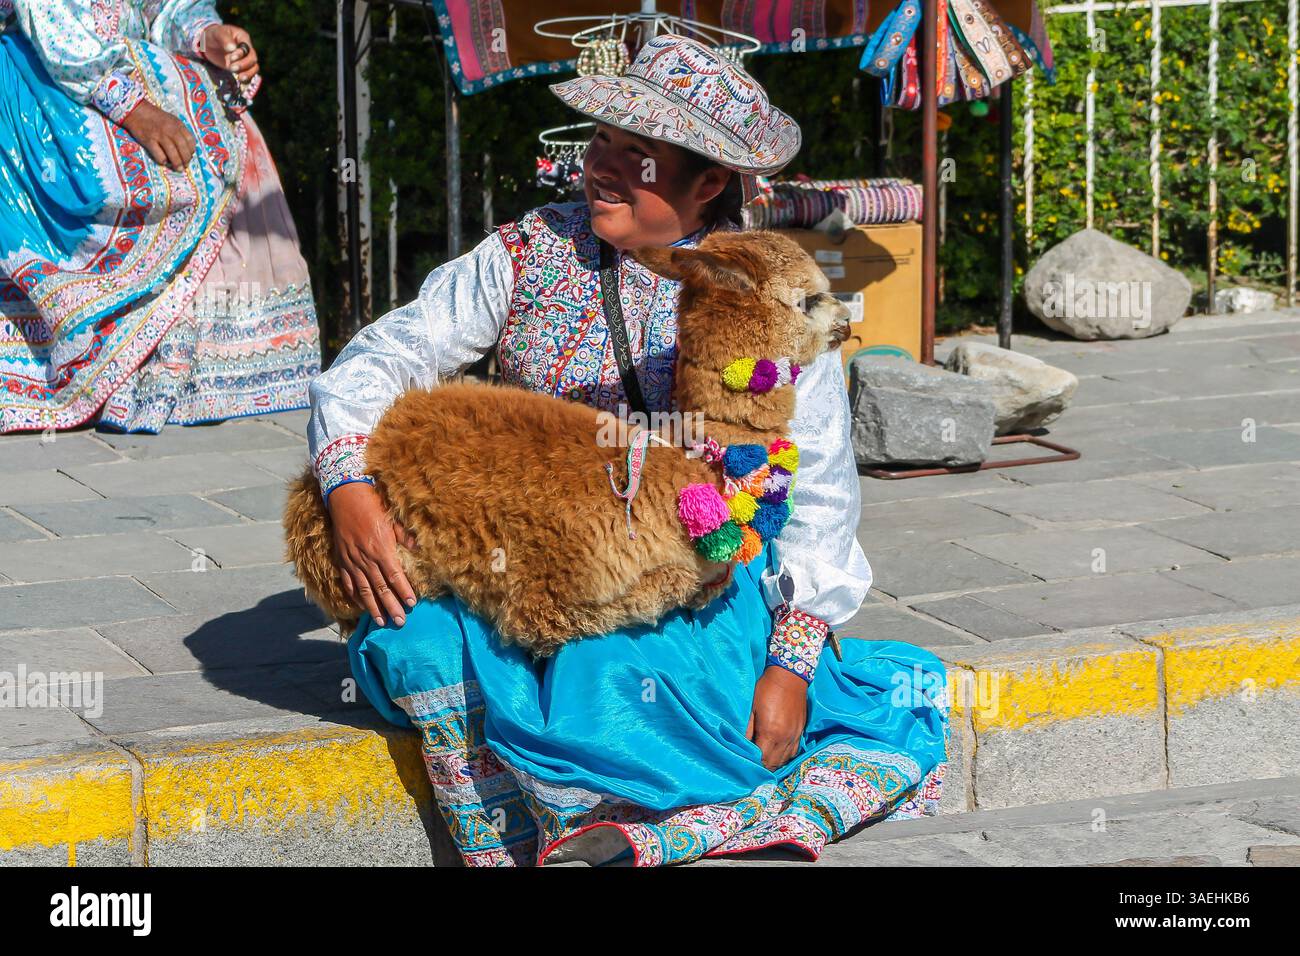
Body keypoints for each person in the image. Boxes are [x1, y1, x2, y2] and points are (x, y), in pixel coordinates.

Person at [307, 34, 948, 866]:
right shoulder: (528, 254)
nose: (602, 167)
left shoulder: (769, 295)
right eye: (602, 142)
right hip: (523, 555)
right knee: (418, 642)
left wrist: (790, 664)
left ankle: (652, 833)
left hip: (690, 568)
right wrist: (348, 483)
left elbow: (819, 489)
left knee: (618, 673)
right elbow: (382, 359)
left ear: (709, 182)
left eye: (637, 156)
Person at [0, 0, 320, 433]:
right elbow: (57, 26)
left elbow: (166, 6)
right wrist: (136, 111)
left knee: (210, 103)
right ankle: (102, 359)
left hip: (125, 63)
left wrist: (206, 35)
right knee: (136, 169)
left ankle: (228, 361)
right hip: (48, 70)